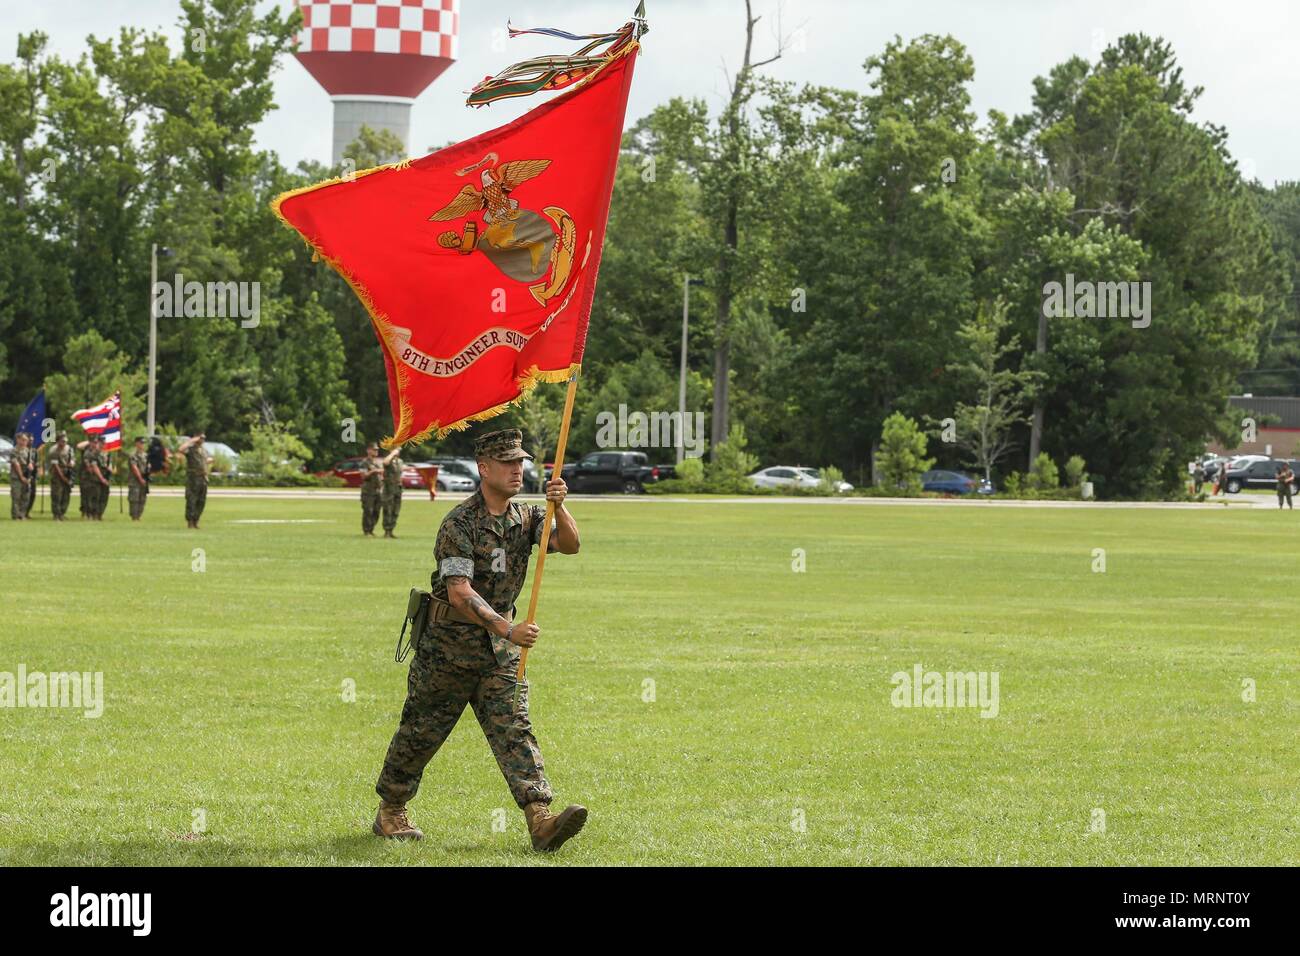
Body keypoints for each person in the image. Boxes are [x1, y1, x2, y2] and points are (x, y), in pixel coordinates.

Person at [373, 427, 585, 852]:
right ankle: (391, 811)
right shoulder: (459, 522)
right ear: (483, 468)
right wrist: (508, 628)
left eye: (520, 462)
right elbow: (459, 592)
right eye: (507, 463)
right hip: (448, 649)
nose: (517, 469)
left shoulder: (527, 516)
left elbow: (570, 544)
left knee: (514, 730)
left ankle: (540, 819)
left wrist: (560, 507)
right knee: (421, 731)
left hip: (499, 656)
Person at [177, 433, 211, 529]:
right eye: (200, 438)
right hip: (193, 478)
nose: (202, 440)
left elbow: (207, 459)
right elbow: (180, 449)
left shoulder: (203, 451)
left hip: (203, 478)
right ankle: (190, 521)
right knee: (192, 499)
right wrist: (191, 441)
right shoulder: (191, 450)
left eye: (204, 438)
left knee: (201, 500)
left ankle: (196, 520)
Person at [47, 431, 75, 521]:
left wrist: (72, 463)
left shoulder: (69, 449)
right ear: (58, 441)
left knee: (66, 494)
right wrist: (63, 478)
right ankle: (56, 514)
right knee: (57, 495)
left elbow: (73, 459)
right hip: (57, 474)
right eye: (62, 441)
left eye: (65, 441)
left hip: (68, 472)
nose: (64, 443)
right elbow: (56, 466)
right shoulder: (53, 451)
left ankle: (62, 513)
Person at [360, 444, 383, 536]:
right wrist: (373, 471)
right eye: (374, 450)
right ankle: (366, 530)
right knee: (368, 510)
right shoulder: (364, 462)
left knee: (376, 511)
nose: (376, 451)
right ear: (368, 450)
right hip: (368, 491)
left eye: (377, 450)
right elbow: (363, 476)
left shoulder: (378, 463)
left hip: (378, 490)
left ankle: (371, 529)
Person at [381, 445, 404, 538]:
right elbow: (385, 462)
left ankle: (391, 530)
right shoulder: (388, 460)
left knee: (396, 510)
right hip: (388, 489)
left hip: (397, 489)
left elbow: (399, 474)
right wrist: (392, 453)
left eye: (398, 450)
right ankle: (386, 531)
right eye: (396, 449)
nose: (398, 451)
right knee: (388, 509)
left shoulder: (400, 462)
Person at [9, 432, 33, 520]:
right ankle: (15, 515)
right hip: (17, 477)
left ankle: (22, 514)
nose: (24, 442)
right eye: (23, 440)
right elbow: (16, 464)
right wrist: (21, 477)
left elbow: (29, 462)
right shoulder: (14, 451)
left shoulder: (27, 450)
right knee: (16, 496)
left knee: (26, 496)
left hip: (26, 476)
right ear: (18, 440)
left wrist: (31, 466)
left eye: (26, 440)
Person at [128, 436, 149, 521]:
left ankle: (139, 516)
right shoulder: (133, 455)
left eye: (143, 443)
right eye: (141, 443)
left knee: (142, 499)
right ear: (136, 444)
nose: (142, 445)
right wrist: (140, 479)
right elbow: (134, 468)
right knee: (134, 499)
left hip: (144, 480)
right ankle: (134, 517)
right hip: (135, 481)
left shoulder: (145, 455)